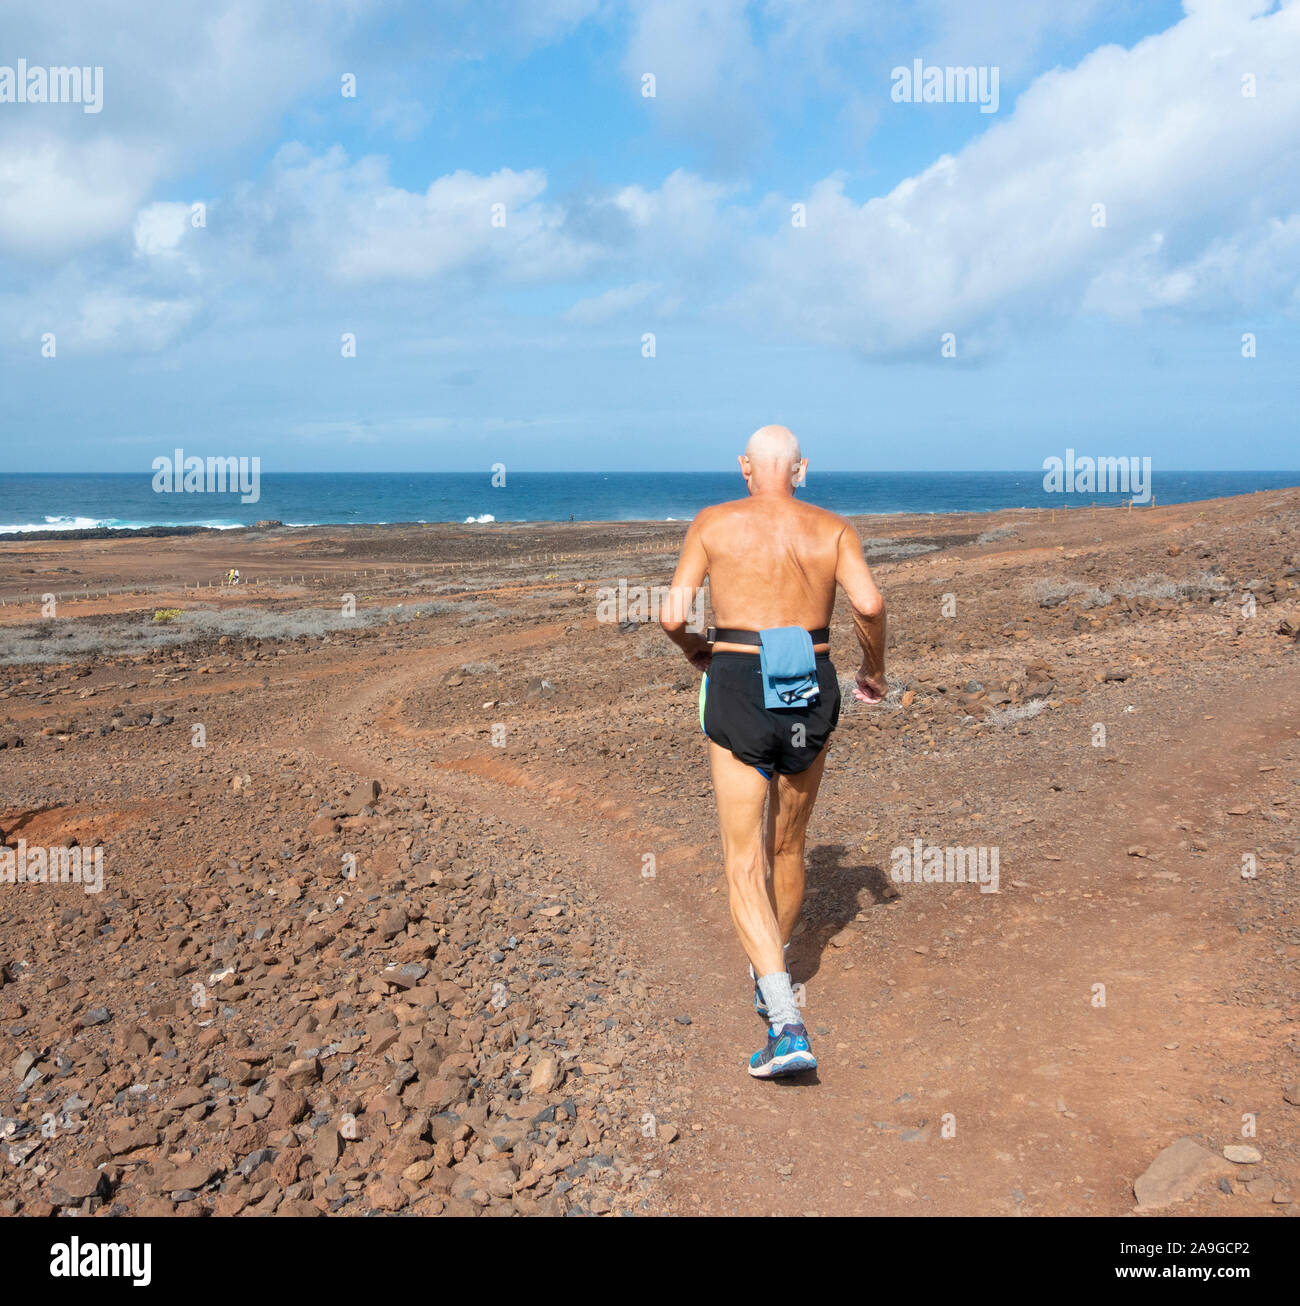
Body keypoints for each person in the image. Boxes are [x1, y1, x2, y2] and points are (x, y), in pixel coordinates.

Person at [660, 425, 887, 1078]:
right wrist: (875, 671)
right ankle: (774, 968)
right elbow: (869, 603)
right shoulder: (833, 528)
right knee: (787, 845)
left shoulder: (713, 522)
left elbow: (673, 615)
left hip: (737, 680)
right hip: (811, 683)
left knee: (740, 862)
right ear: (803, 469)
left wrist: (697, 649)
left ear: (743, 467)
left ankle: (784, 1018)